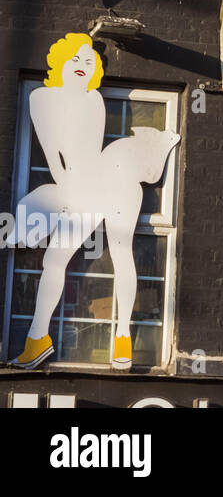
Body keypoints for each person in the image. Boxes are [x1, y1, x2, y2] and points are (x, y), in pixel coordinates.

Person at [7, 33, 178, 371]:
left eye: (89, 62)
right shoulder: (41, 98)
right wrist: (64, 194)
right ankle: (38, 339)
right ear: (60, 63)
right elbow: (56, 160)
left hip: (109, 181)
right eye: (75, 59)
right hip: (83, 187)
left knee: (119, 253)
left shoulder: (94, 101)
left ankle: (122, 339)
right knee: (54, 261)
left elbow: (82, 154)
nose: (83, 66)